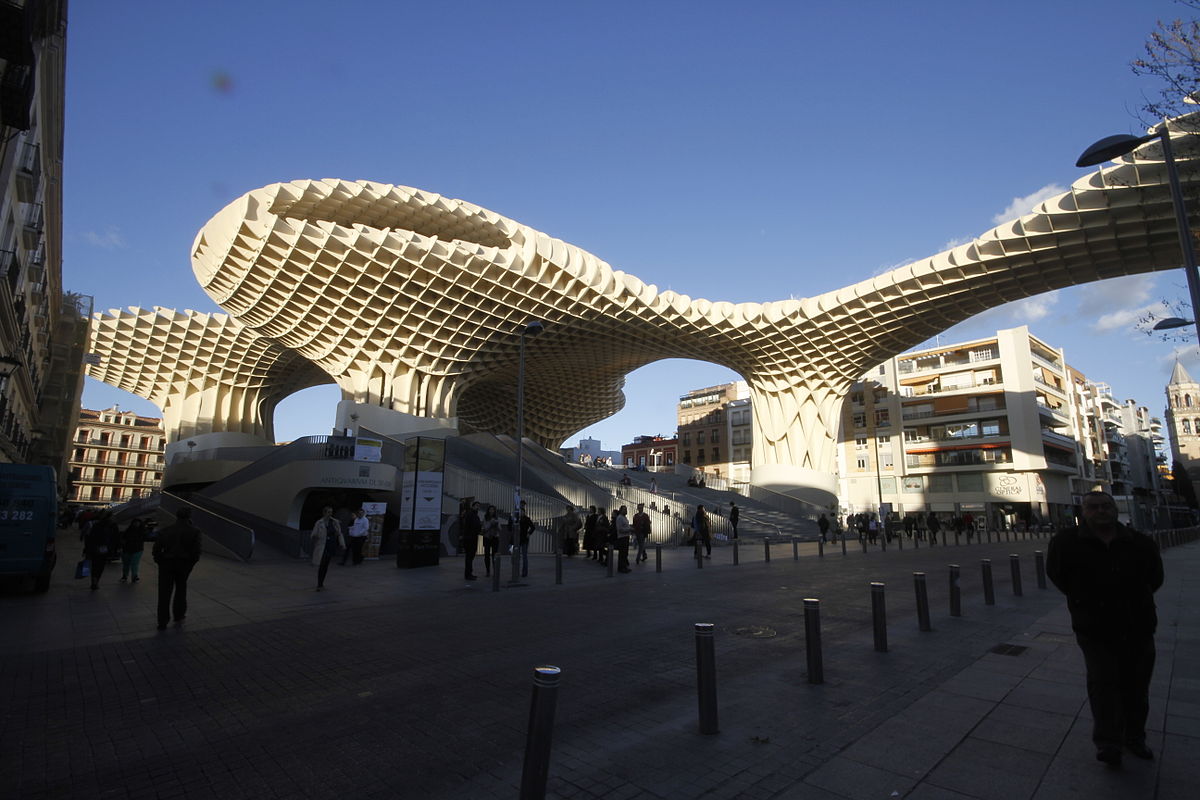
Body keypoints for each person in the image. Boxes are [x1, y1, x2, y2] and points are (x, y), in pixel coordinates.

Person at [1047, 491, 1163, 767]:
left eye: (1106, 506)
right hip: (1094, 628)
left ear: (1114, 510)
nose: (1100, 511)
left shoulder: (1139, 543)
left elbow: (1155, 578)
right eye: (1093, 507)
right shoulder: (1067, 543)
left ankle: (1135, 737)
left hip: (1138, 625)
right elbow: (1058, 574)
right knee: (1103, 683)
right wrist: (1083, 601)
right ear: (1083, 511)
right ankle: (1109, 742)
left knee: (1136, 685)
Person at [152, 507, 202, 629]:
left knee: (164, 593)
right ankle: (179, 615)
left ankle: (162, 620)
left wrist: (161, 562)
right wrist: (190, 565)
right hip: (183, 564)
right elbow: (196, 552)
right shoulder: (194, 531)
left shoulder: (166, 530)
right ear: (189, 516)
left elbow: (156, 550)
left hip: (167, 564)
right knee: (181, 590)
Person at [310, 506, 344, 591]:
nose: (330, 514)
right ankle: (319, 584)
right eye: (328, 512)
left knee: (325, 565)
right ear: (324, 513)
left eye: (331, 512)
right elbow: (314, 534)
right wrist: (316, 539)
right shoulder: (319, 522)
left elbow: (339, 533)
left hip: (331, 546)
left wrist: (342, 544)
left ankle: (321, 583)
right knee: (322, 565)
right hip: (322, 546)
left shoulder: (334, 522)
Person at [83, 510, 119, 591]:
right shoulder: (109, 526)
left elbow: (115, 538)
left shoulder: (102, 525)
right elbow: (115, 538)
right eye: (112, 517)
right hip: (100, 548)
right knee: (98, 565)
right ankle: (95, 581)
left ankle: (95, 581)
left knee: (98, 565)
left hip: (100, 548)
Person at [120, 518, 147, 583]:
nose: (136, 524)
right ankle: (127, 576)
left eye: (137, 523)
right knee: (127, 564)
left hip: (136, 549)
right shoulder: (129, 530)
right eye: (135, 522)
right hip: (129, 549)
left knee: (133, 563)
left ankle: (133, 576)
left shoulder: (141, 531)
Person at [459, 500, 481, 581]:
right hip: (469, 539)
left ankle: (469, 573)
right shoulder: (470, 515)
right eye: (476, 506)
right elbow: (470, 527)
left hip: (473, 538)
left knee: (470, 557)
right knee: (469, 557)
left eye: (478, 506)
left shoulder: (475, 515)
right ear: (473, 506)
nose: (478, 507)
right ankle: (468, 574)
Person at [482, 506, 500, 576]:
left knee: (494, 555)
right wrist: (490, 523)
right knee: (487, 555)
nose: (492, 511)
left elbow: (500, 529)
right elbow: (485, 528)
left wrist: (497, 523)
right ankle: (488, 570)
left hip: (495, 538)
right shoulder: (485, 518)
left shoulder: (496, 518)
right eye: (490, 510)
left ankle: (495, 570)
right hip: (487, 538)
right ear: (488, 510)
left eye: (493, 510)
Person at [517, 501, 534, 577]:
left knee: (524, 556)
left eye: (522, 512)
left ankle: (524, 572)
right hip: (516, 539)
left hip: (524, 539)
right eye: (520, 511)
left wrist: (528, 533)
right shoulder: (515, 519)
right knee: (515, 555)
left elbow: (533, 527)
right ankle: (516, 571)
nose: (521, 513)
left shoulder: (527, 519)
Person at [613, 506, 633, 572]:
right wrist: (629, 529)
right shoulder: (619, 518)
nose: (626, 511)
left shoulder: (624, 518)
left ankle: (624, 566)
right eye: (624, 510)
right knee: (622, 553)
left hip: (626, 537)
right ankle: (621, 567)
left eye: (626, 509)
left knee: (625, 553)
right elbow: (620, 529)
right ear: (621, 510)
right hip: (622, 538)